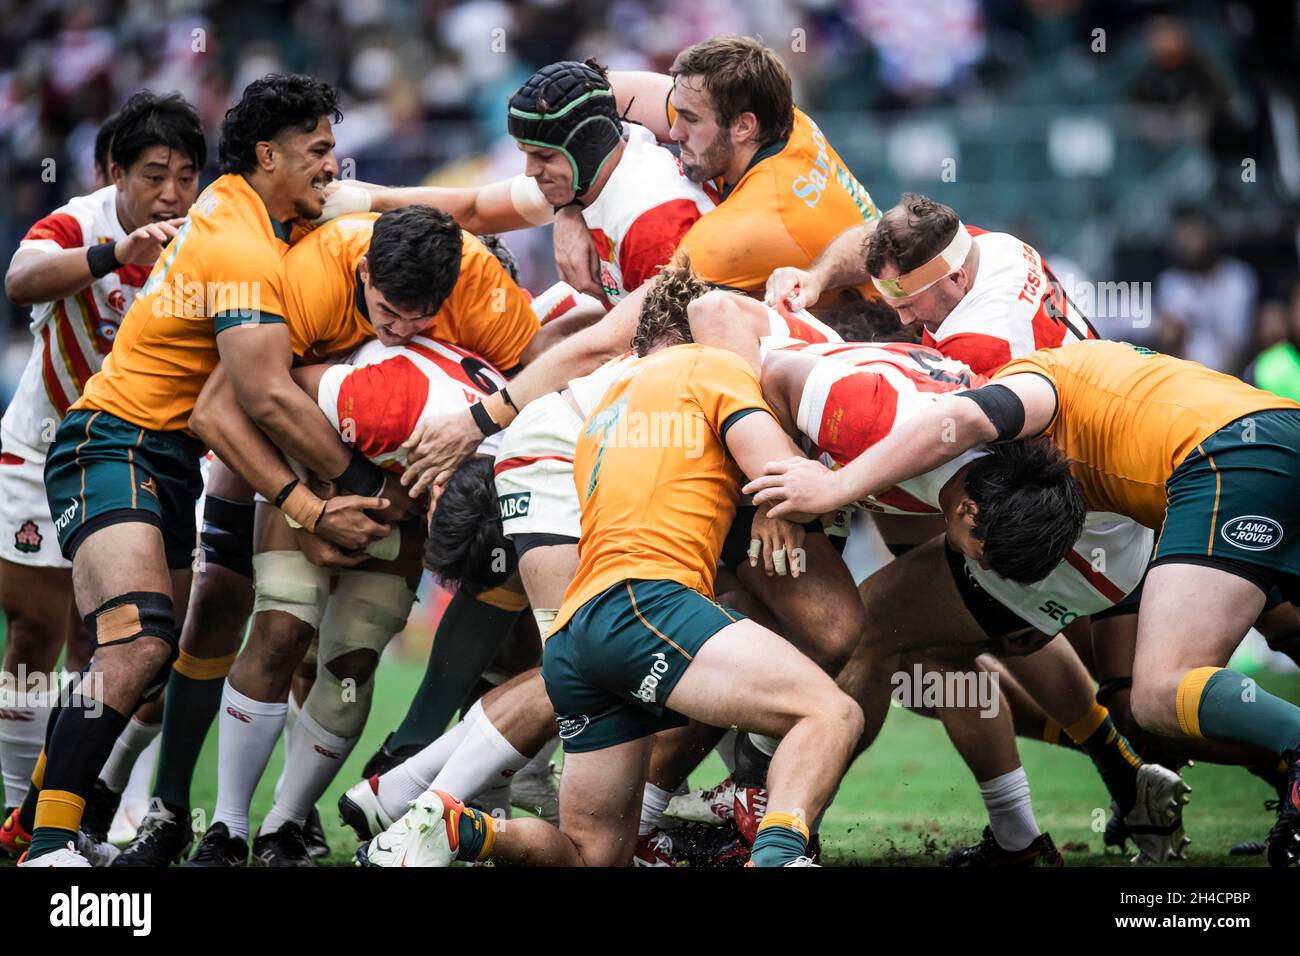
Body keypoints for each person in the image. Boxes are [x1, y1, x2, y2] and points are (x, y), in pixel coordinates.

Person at [19, 74, 399, 868]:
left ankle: (47, 824)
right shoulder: (237, 242)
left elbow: (221, 411)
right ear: (269, 155)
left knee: (141, 655)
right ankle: (49, 843)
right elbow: (254, 397)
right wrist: (339, 492)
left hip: (164, 460)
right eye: (320, 152)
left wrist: (528, 204)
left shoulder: (243, 209)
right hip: (107, 441)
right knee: (133, 643)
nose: (334, 167)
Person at [745, 338, 1300, 868]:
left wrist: (821, 491)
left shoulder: (991, 390)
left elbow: (961, 421)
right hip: (1206, 473)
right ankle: (1058, 810)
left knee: (1154, 694)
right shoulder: (904, 404)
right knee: (943, 656)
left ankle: (780, 822)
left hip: (1152, 502)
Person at [0, 91, 204, 857]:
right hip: (40, 448)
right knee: (32, 636)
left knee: (125, 644)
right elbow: (20, 279)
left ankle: (74, 813)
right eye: (154, 174)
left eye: (187, 175)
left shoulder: (204, 235)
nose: (172, 193)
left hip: (138, 456)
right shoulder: (80, 222)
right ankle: (24, 814)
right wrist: (114, 256)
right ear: (113, 171)